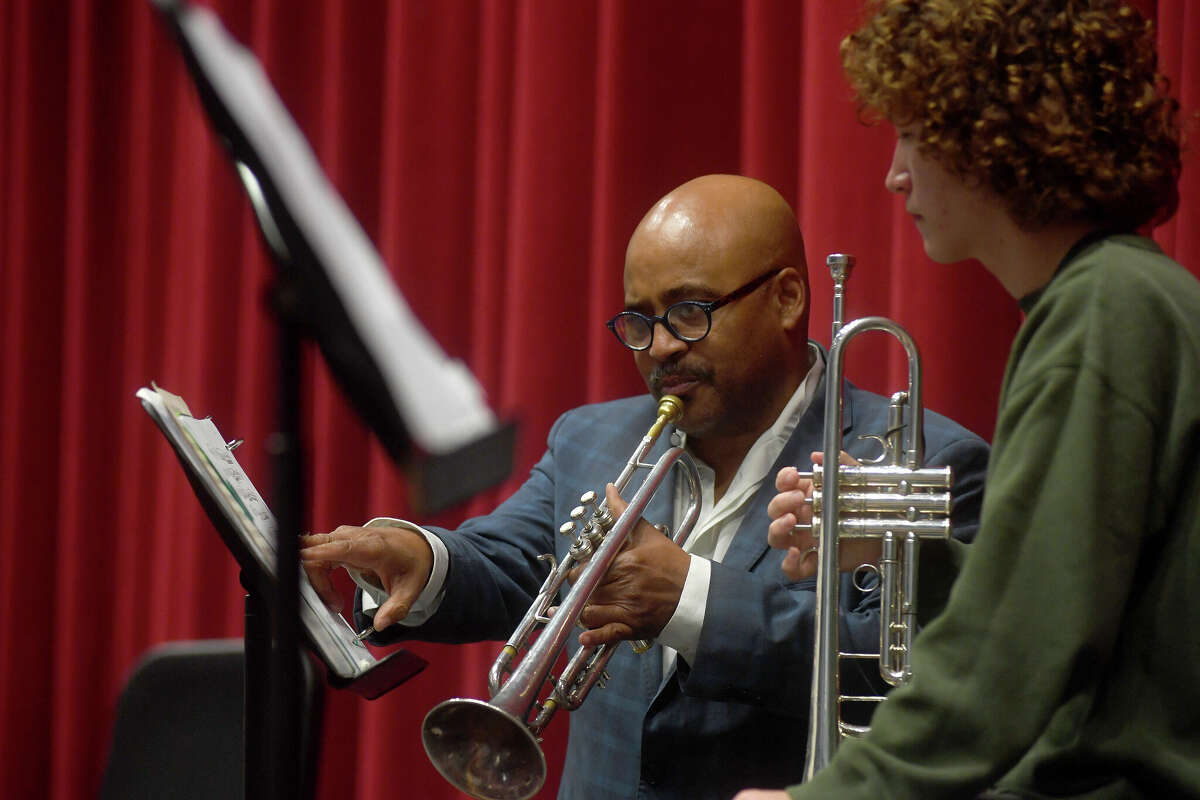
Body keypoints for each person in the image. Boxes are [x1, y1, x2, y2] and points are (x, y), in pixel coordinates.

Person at [301, 174, 989, 800]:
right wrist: (421, 559)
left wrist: (689, 598)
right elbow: (512, 566)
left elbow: (917, 678)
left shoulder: (928, 465)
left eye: (690, 312)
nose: (659, 347)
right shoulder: (590, 437)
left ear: (786, 298)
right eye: (639, 321)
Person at [738, 1, 1199, 799]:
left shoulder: (1105, 312)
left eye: (914, 134)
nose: (895, 174)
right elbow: (1064, 599)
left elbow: (1012, 655)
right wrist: (894, 551)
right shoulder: (1121, 297)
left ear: (993, 136)